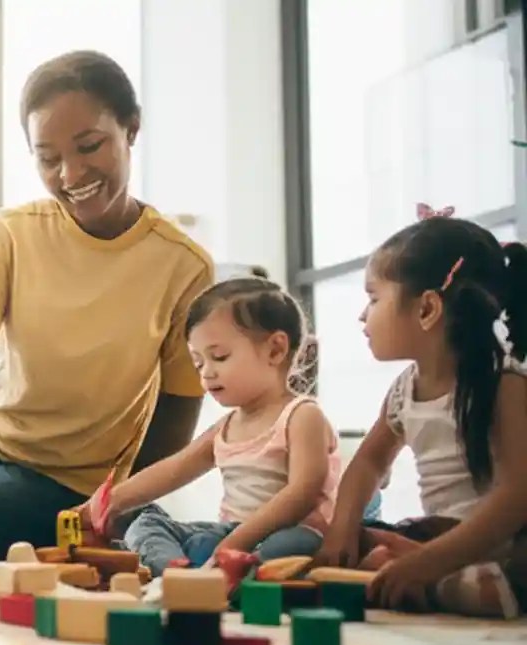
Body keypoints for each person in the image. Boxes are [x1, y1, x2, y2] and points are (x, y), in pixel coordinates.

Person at [0, 50, 214, 565]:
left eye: (90, 146)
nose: (71, 173)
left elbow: (178, 408)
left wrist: (120, 509)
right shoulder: (10, 233)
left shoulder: (184, 266)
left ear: (131, 129)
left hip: (66, 482)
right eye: (48, 158)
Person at [316, 205, 527, 618]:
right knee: (352, 547)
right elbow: (368, 462)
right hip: (445, 536)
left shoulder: (503, 380)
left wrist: (427, 562)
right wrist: (341, 527)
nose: (362, 315)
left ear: (427, 309)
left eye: (373, 298)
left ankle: (464, 584)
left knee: (391, 565)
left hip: (507, 541)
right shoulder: (404, 390)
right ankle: (445, 582)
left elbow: (517, 497)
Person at [82, 276, 340, 577]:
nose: (207, 373)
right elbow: (174, 469)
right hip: (224, 537)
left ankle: (221, 575)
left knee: (302, 541)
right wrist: (104, 503)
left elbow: (302, 494)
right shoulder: (226, 426)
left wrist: (237, 543)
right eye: (199, 363)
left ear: (275, 350)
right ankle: (183, 575)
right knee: (145, 523)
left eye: (219, 357)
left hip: (281, 538)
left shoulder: (302, 416)